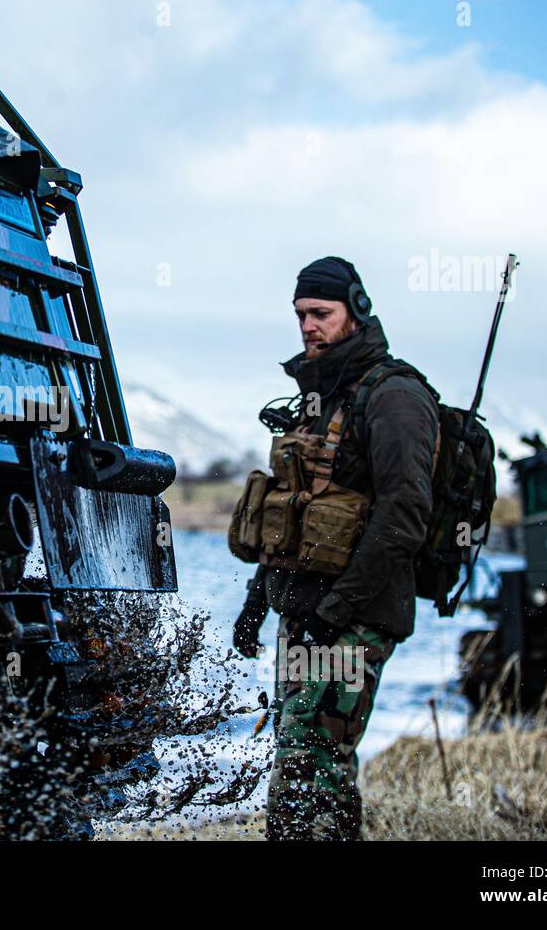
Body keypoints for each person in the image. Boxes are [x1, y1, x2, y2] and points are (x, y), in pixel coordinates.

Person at [231, 256, 439, 840]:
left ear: (358, 311)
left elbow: (404, 517)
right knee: (311, 762)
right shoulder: (321, 398)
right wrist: (258, 600)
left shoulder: (395, 396)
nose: (308, 327)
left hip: (355, 615)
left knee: (308, 766)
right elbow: (294, 512)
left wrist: (334, 612)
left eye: (321, 313)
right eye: (300, 315)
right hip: (306, 612)